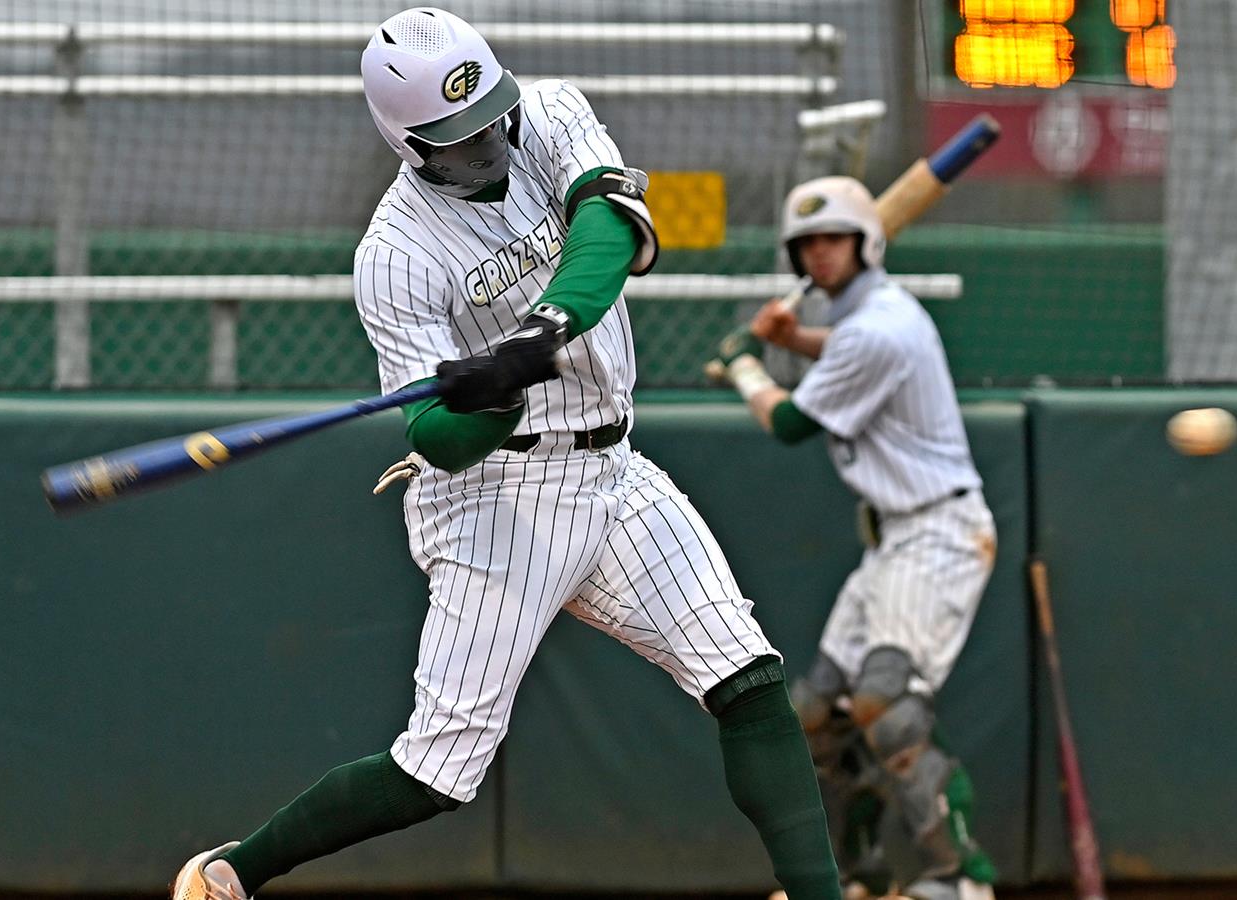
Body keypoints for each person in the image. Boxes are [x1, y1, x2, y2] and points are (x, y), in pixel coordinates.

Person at [171, 8, 840, 900]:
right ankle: (229, 874)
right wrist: (489, 395)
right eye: (455, 138)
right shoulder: (394, 254)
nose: (485, 144)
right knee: (436, 772)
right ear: (407, 143)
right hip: (497, 498)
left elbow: (608, 231)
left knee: (747, 676)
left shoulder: (554, 113)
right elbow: (437, 442)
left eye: (489, 117)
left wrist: (539, 333)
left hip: (613, 466)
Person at [714, 176, 999, 900]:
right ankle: (857, 877)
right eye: (807, 244)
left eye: (834, 239)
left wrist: (747, 365)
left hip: (938, 532)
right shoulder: (869, 319)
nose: (819, 255)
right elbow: (839, 347)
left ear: (866, 243)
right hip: (895, 542)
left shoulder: (880, 329)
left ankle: (960, 879)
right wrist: (793, 338)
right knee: (816, 719)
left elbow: (789, 423)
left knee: (887, 711)